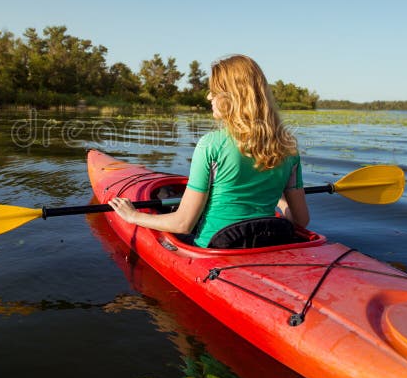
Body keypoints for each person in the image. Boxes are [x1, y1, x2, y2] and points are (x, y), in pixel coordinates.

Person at [108, 54, 310, 247]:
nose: (208, 96)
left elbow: (183, 224)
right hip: (268, 242)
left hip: (216, 247)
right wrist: (281, 200)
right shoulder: (287, 145)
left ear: (232, 97)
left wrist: (133, 216)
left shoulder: (211, 144)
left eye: (214, 91)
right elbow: (301, 220)